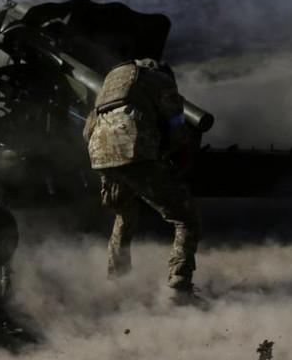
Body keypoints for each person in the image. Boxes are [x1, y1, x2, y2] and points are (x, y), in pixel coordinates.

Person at [82, 58, 205, 306]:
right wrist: (167, 155)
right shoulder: (160, 80)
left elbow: (87, 131)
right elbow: (177, 129)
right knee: (186, 219)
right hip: (135, 151)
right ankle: (180, 288)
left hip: (100, 155)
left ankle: (117, 284)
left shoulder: (111, 84)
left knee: (125, 214)